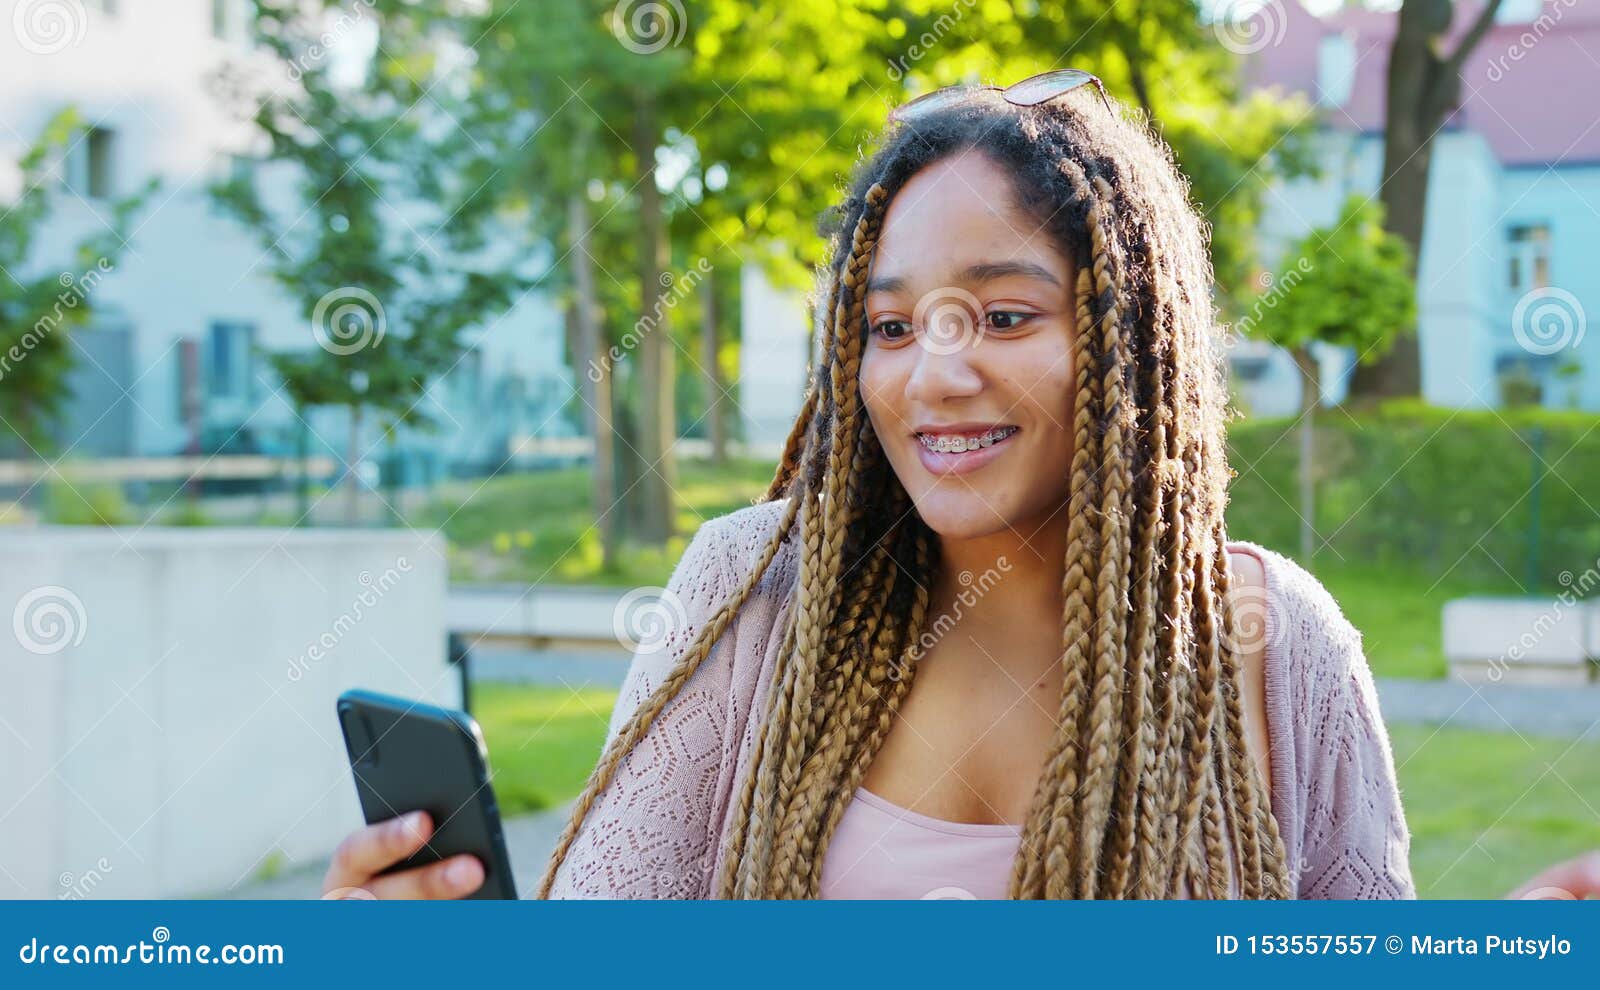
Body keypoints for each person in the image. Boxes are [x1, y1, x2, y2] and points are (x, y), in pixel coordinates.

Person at [321, 70, 1600, 901]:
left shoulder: (1275, 649)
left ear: (1125, 349)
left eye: (999, 312)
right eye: (888, 328)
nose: (932, 373)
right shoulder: (753, 594)